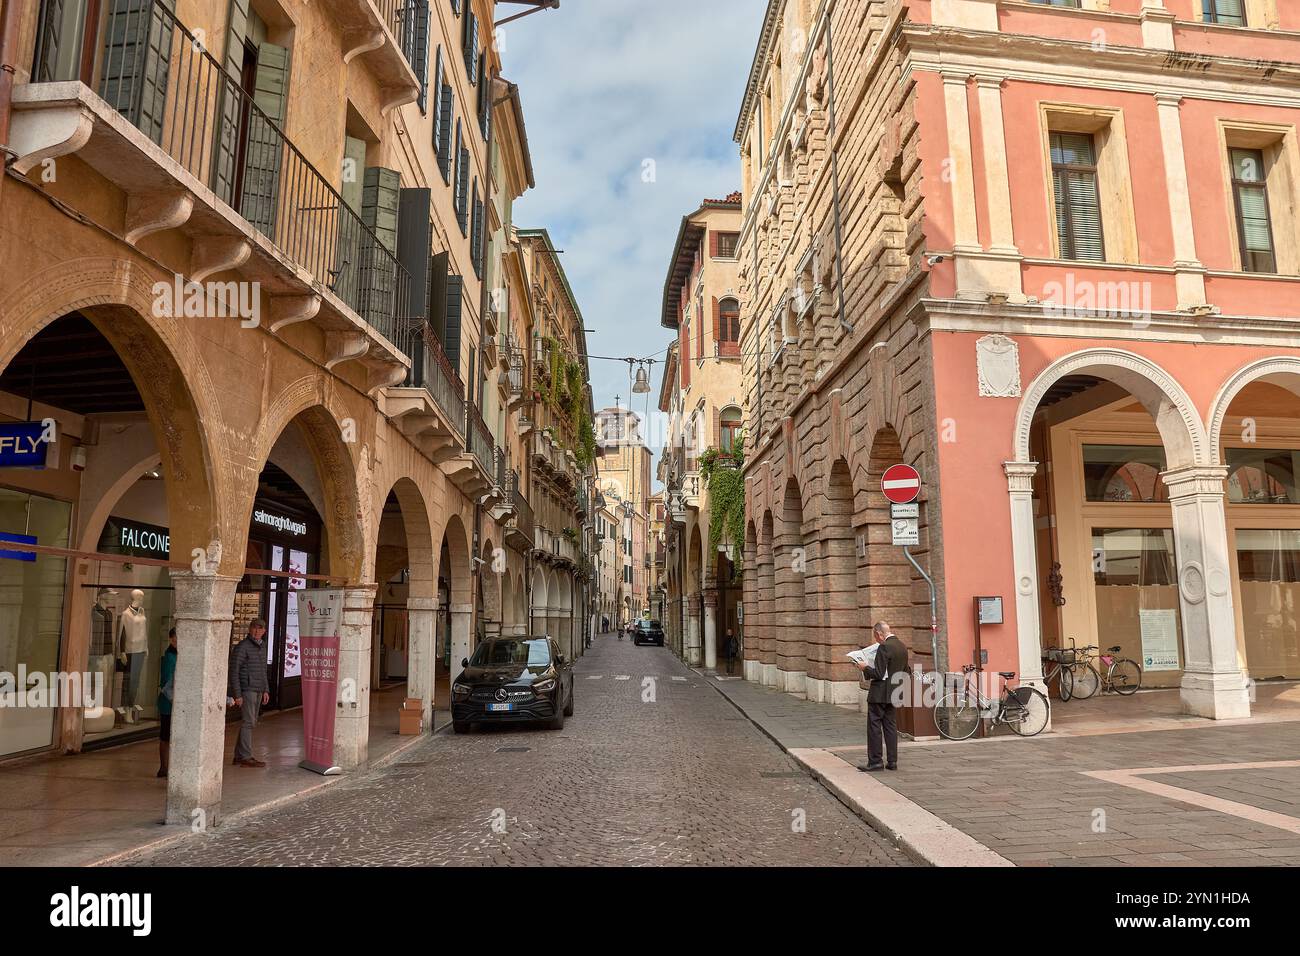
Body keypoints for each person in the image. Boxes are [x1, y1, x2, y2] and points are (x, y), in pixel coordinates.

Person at [853, 621, 909, 772]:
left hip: (879, 694)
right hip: (895, 693)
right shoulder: (902, 646)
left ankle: (875, 761)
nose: (876, 640)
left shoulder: (884, 647)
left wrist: (864, 667)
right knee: (890, 727)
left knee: (874, 727)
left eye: (875, 637)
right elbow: (907, 672)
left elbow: (878, 673)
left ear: (879, 634)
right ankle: (892, 761)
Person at [228, 618, 270, 768]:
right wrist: (237, 694)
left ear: (264, 631)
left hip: (258, 688)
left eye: (260, 629)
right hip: (247, 689)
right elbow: (234, 671)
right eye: (254, 628)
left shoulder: (262, 646)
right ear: (249, 629)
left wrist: (266, 689)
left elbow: (263, 669)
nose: (257, 631)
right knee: (248, 722)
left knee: (250, 722)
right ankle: (245, 756)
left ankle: (239, 756)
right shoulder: (242, 647)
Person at [156, 627, 178, 778]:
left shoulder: (178, 655)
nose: (177, 642)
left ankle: (166, 767)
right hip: (169, 703)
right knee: (165, 736)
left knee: (169, 736)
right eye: (175, 639)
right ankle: (164, 767)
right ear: (171, 639)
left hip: (175, 702)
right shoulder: (170, 657)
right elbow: (166, 683)